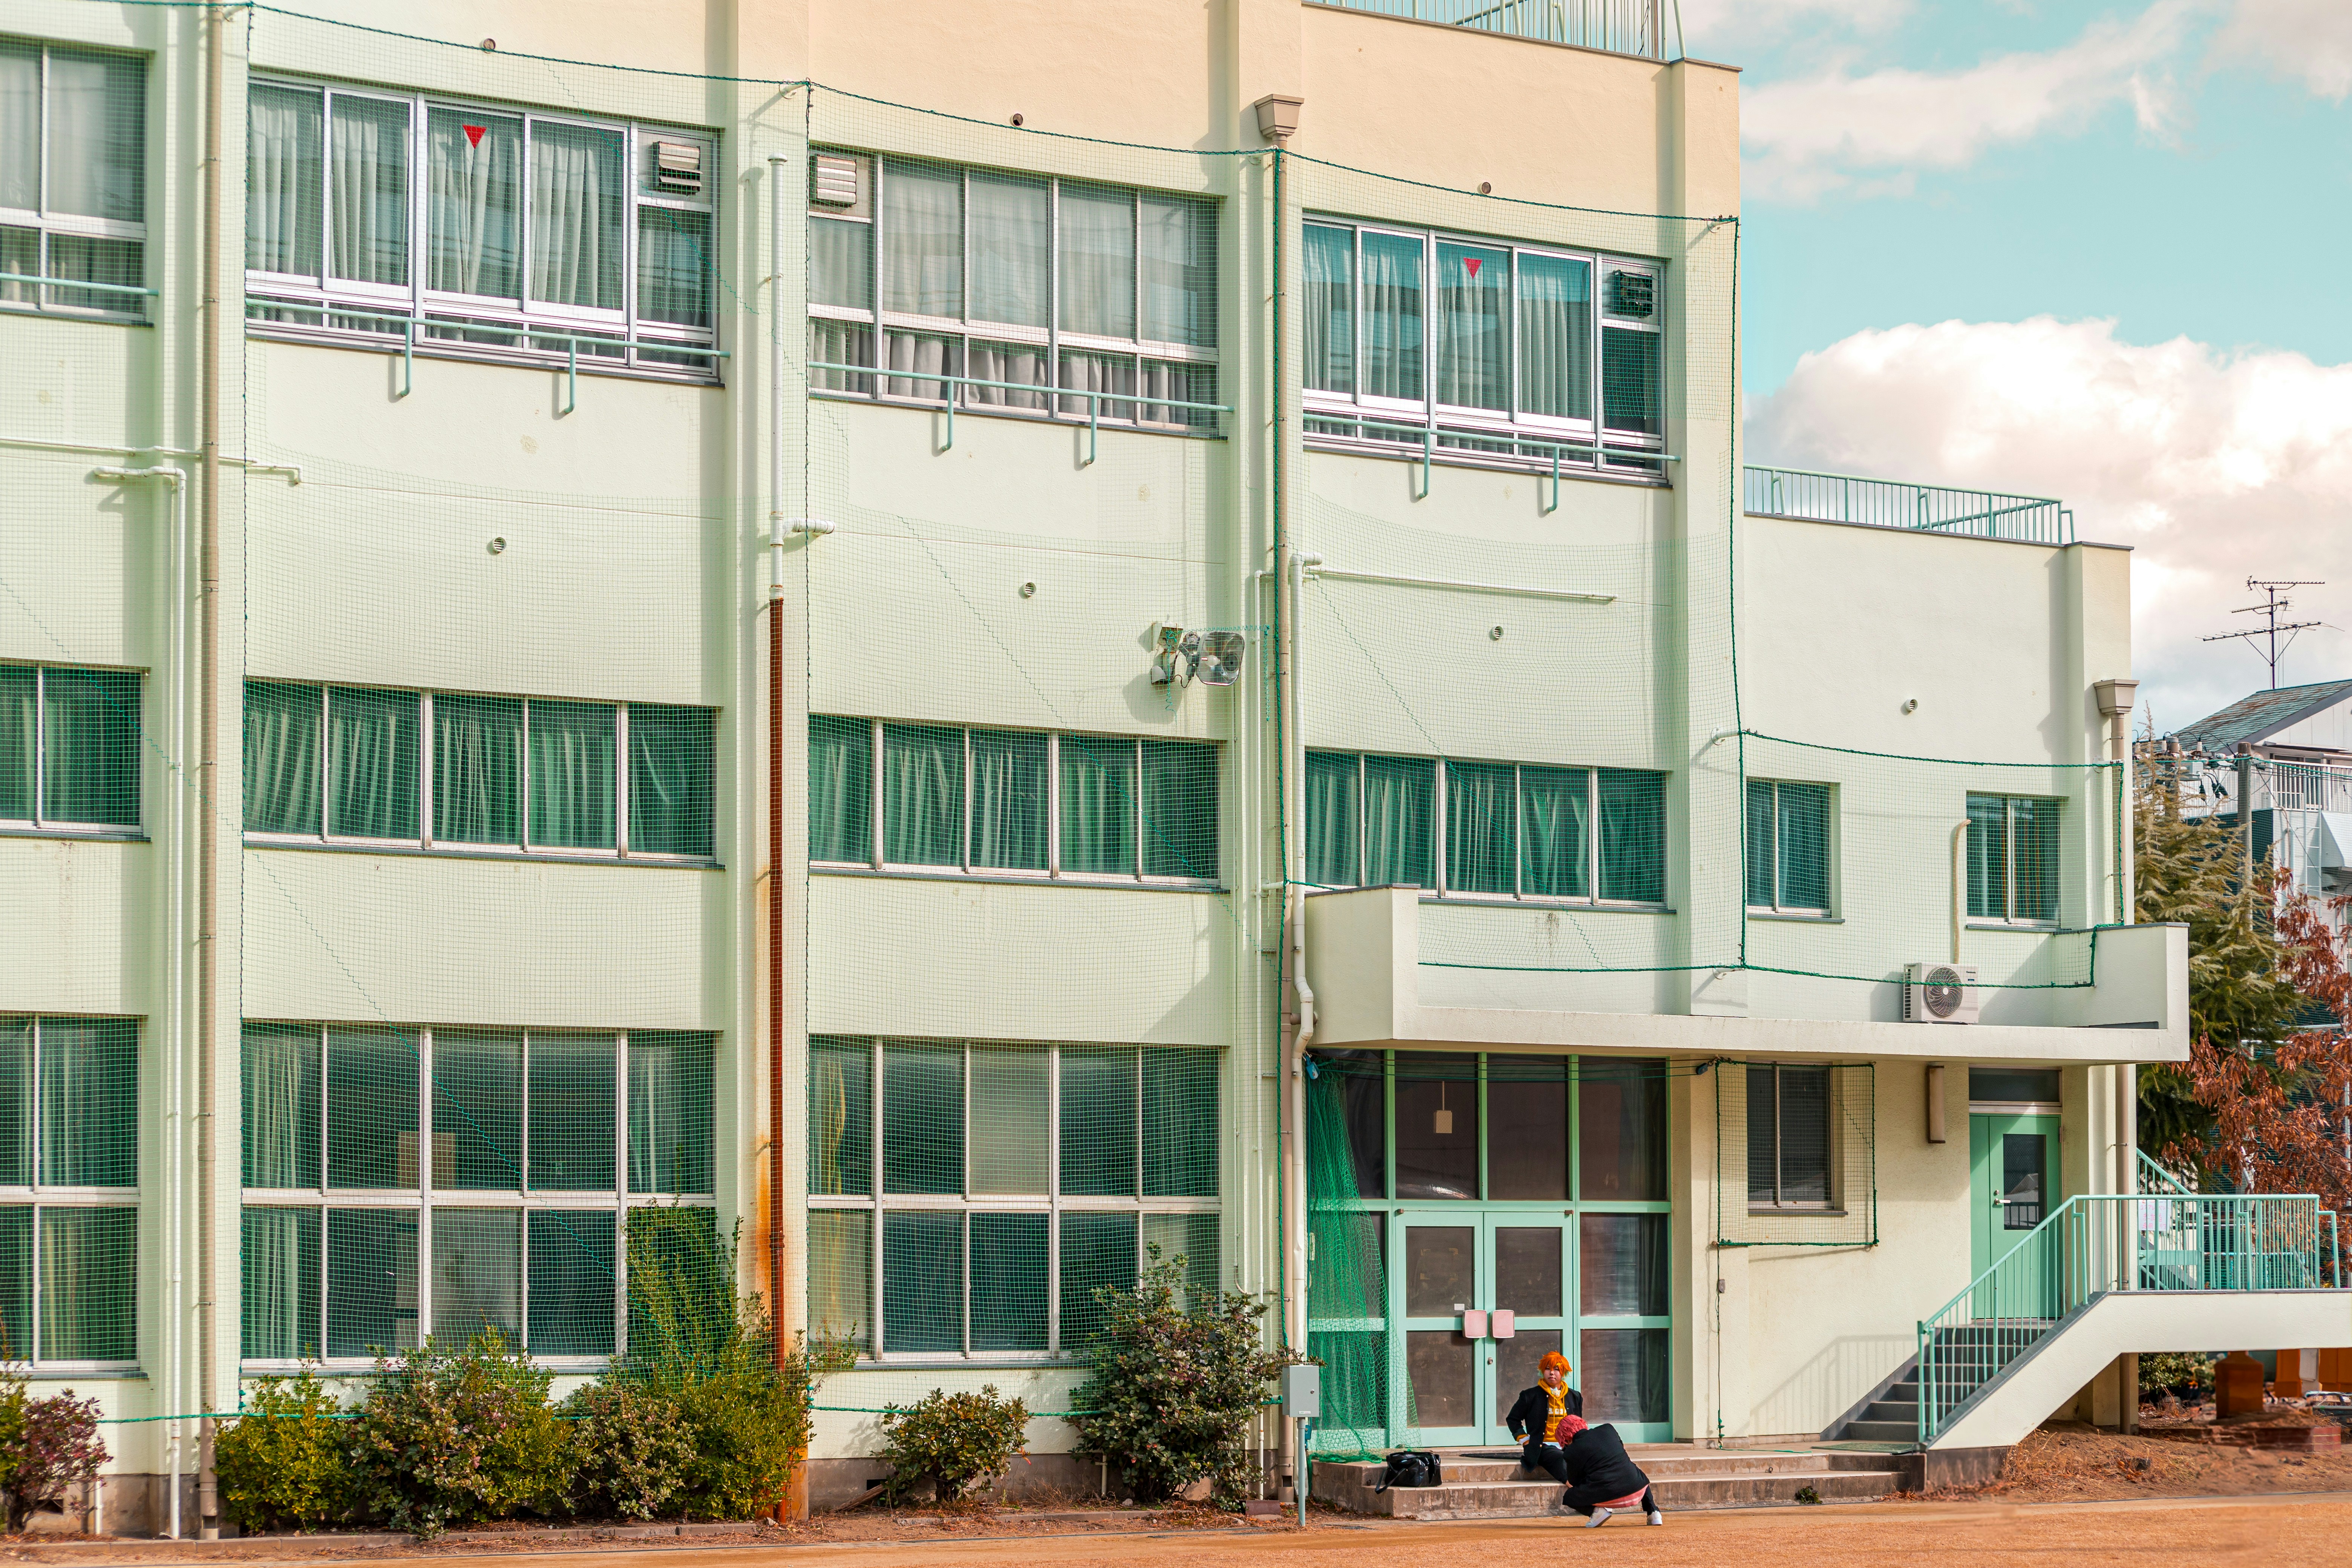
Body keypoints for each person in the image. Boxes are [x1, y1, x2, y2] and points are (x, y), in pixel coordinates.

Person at [1552, 1415, 1663, 1528]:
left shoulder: (1571, 1452)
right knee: (1633, 1469)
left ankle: (1596, 1513)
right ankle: (1654, 1512)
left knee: (1570, 1497)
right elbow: (1620, 1450)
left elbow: (1574, 1482)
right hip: (1637, 1489)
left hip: (1608, 1496)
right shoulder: (1608, 1429)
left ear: (1566, 1439)